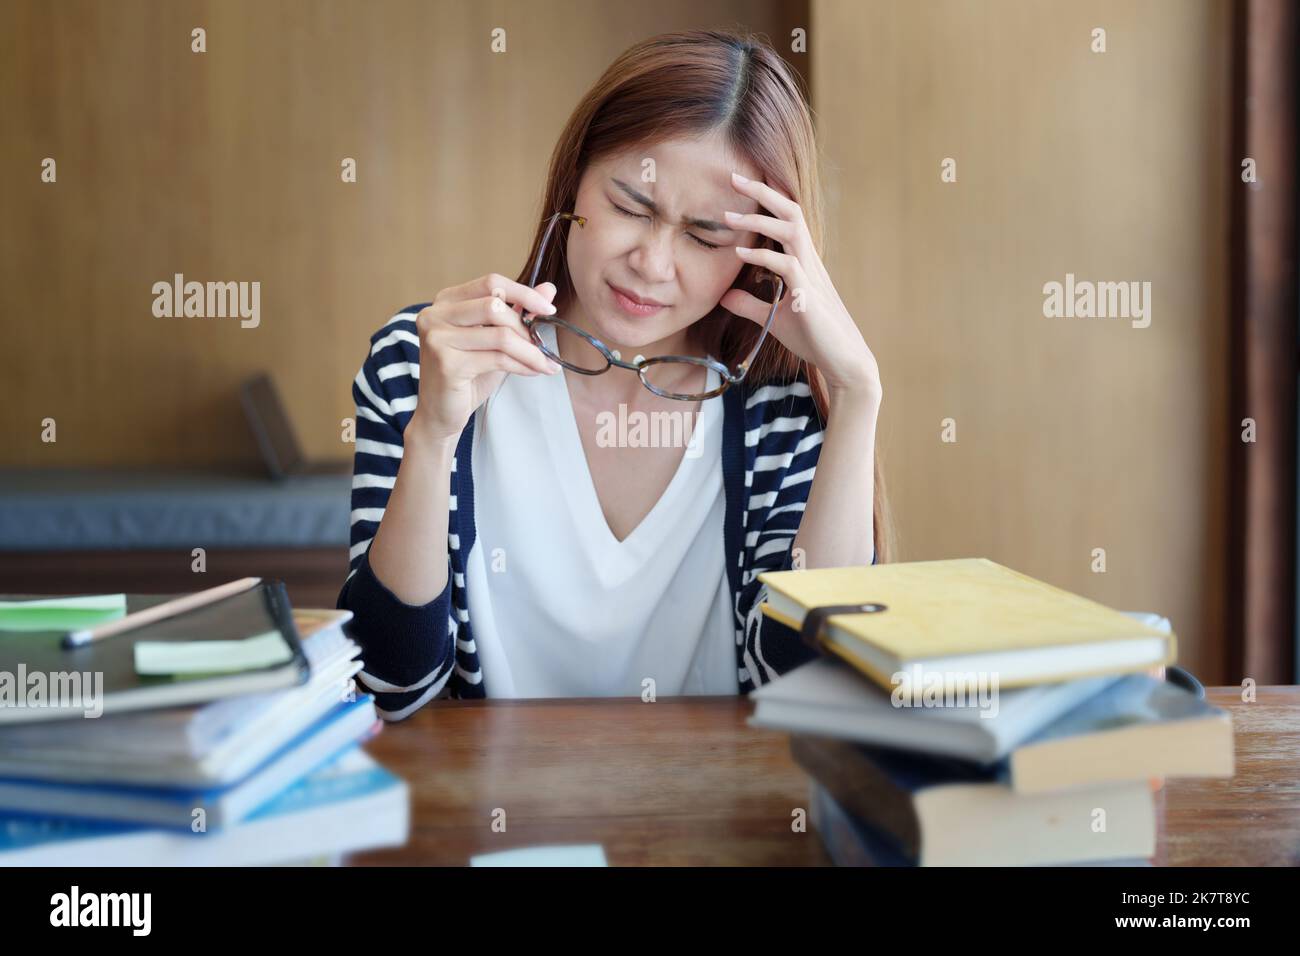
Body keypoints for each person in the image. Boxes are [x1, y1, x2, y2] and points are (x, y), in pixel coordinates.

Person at [338, 29, 893, 719]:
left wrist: (856, 395)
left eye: (706, 236)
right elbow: (392, 686)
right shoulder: (422, 360)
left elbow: (810, 689)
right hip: (482, 821)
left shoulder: (775, 403)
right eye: (633, 205)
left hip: (716, 822)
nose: (653, 265)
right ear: (574, 182)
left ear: (763, 252)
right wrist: (432, 435)